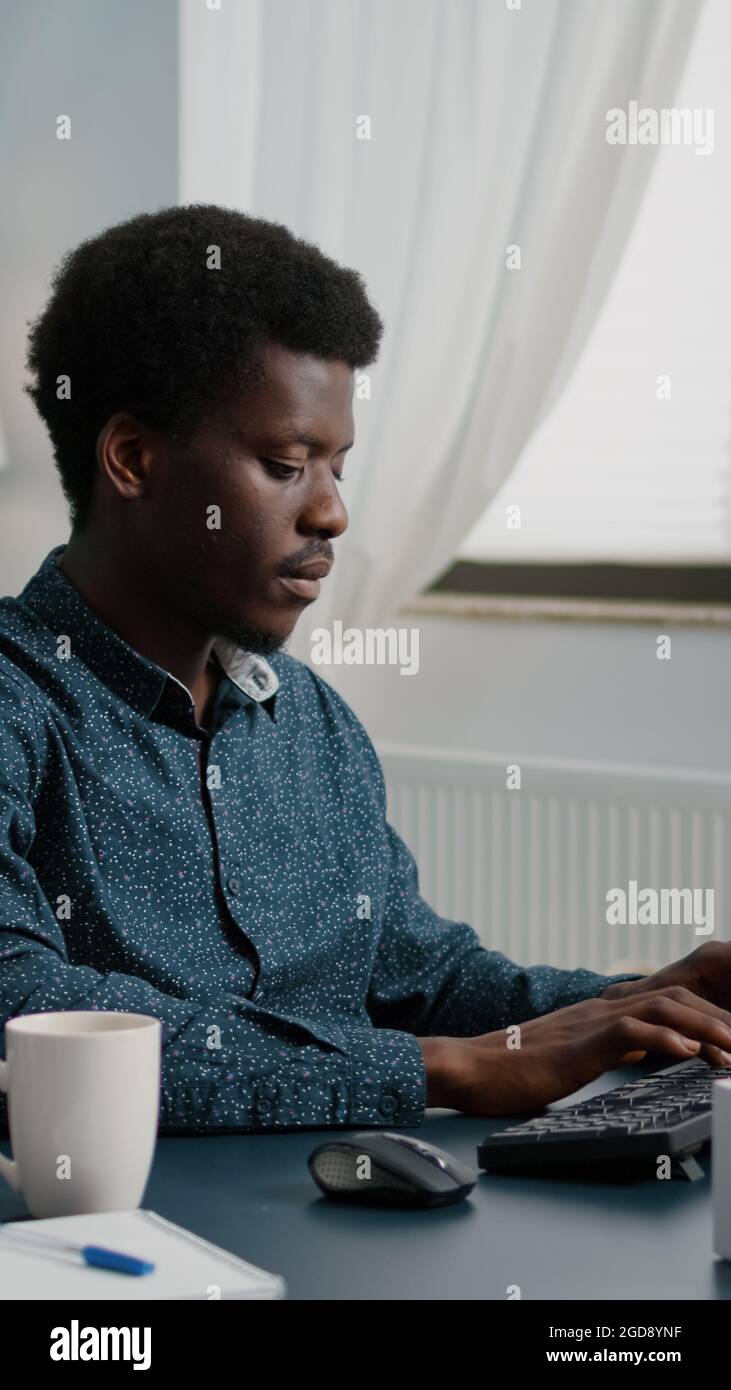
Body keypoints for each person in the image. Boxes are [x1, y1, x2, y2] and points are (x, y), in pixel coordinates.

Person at [2, 204, 730, 1136]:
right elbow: (22, 1010)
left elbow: (418, 978)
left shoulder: (310, 721)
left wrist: (638, 1005)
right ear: (133, 459)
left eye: (337, 468)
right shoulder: (18, 705)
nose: (332, 515)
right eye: (284, 464)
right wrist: (446, 1070)